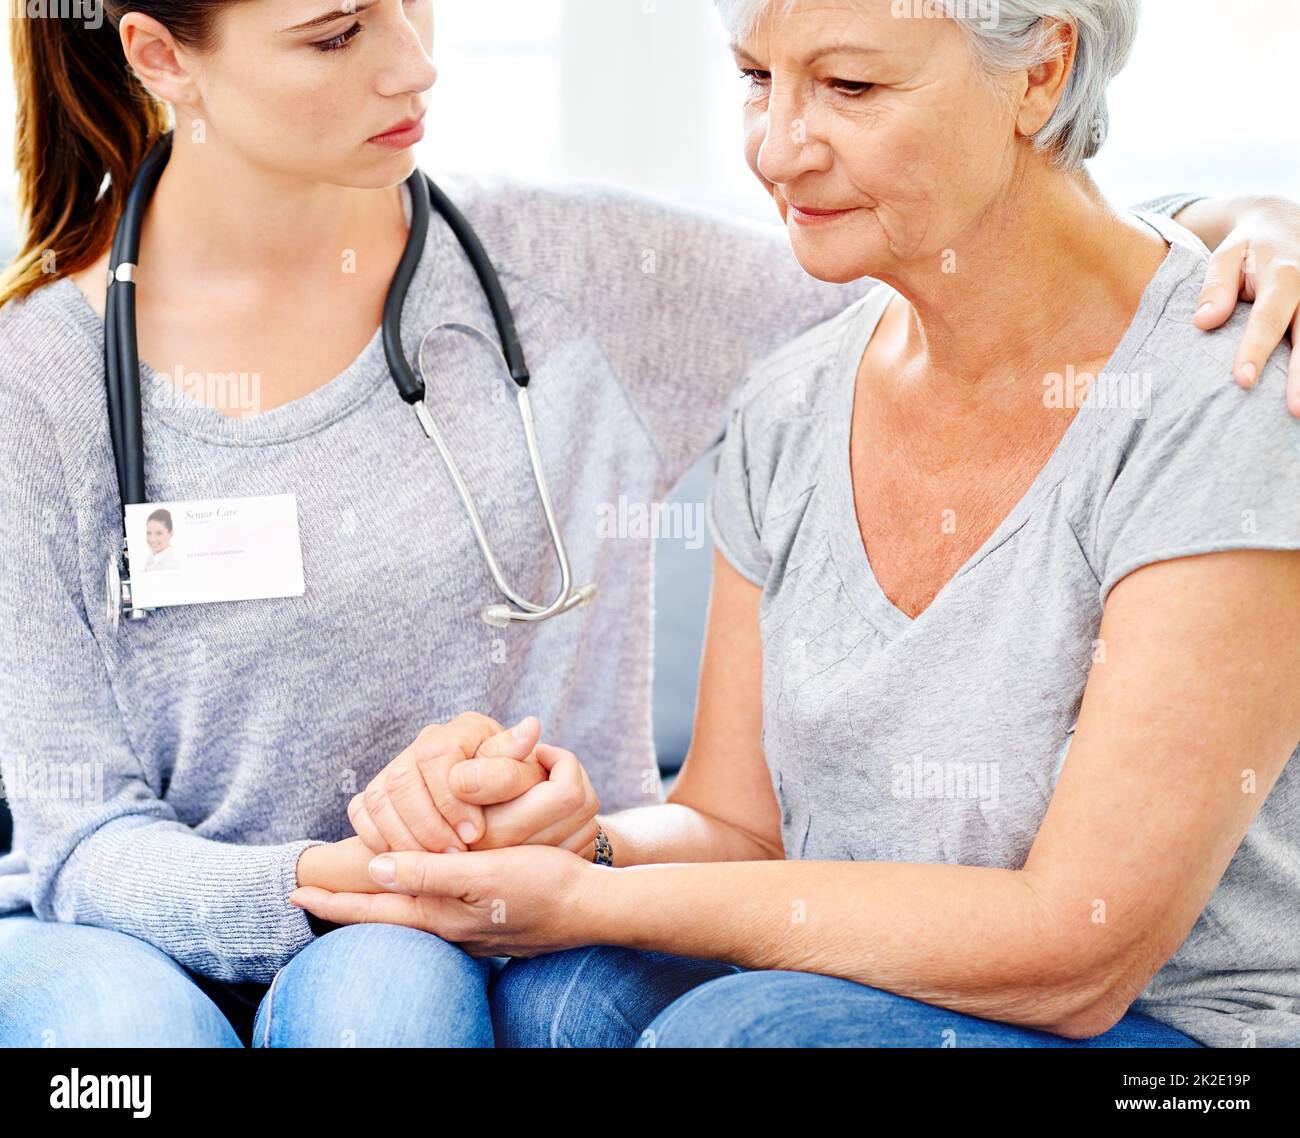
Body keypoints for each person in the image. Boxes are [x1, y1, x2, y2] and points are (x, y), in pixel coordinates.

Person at [0, 0, 1297, 1048]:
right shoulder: (42, 383)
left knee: (641, 1017)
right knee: (447, 994)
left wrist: (1238, 221)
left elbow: (1028, 261)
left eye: (845, 88)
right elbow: (732, 826)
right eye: (753, 78)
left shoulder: (578, 278)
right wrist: (486, 862)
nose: (778, 148)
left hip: (1132, 1020)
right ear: (164, 58)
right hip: (211, 917)